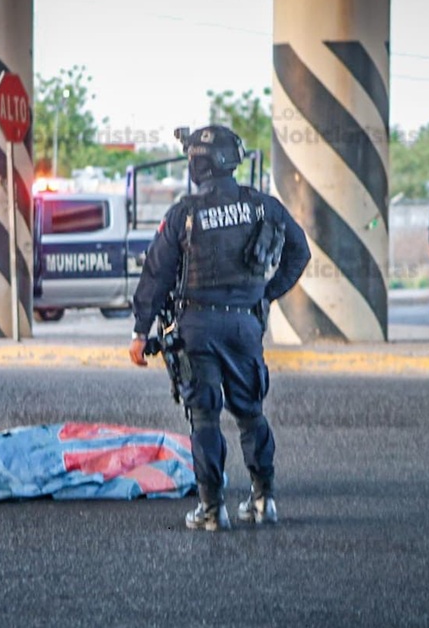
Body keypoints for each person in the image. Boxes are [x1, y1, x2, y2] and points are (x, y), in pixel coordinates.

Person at [128, 124, 310, 532]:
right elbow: (300, 252)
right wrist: (266, 294)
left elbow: (156, 275)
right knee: (251, 415)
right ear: (233, 160)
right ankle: (264, 500)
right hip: (245, 325)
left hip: (197, 328)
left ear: (198, 164)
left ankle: (212, 510)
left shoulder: (183, 213)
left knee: (204, 419)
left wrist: (141, 331)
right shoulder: (263, 206)